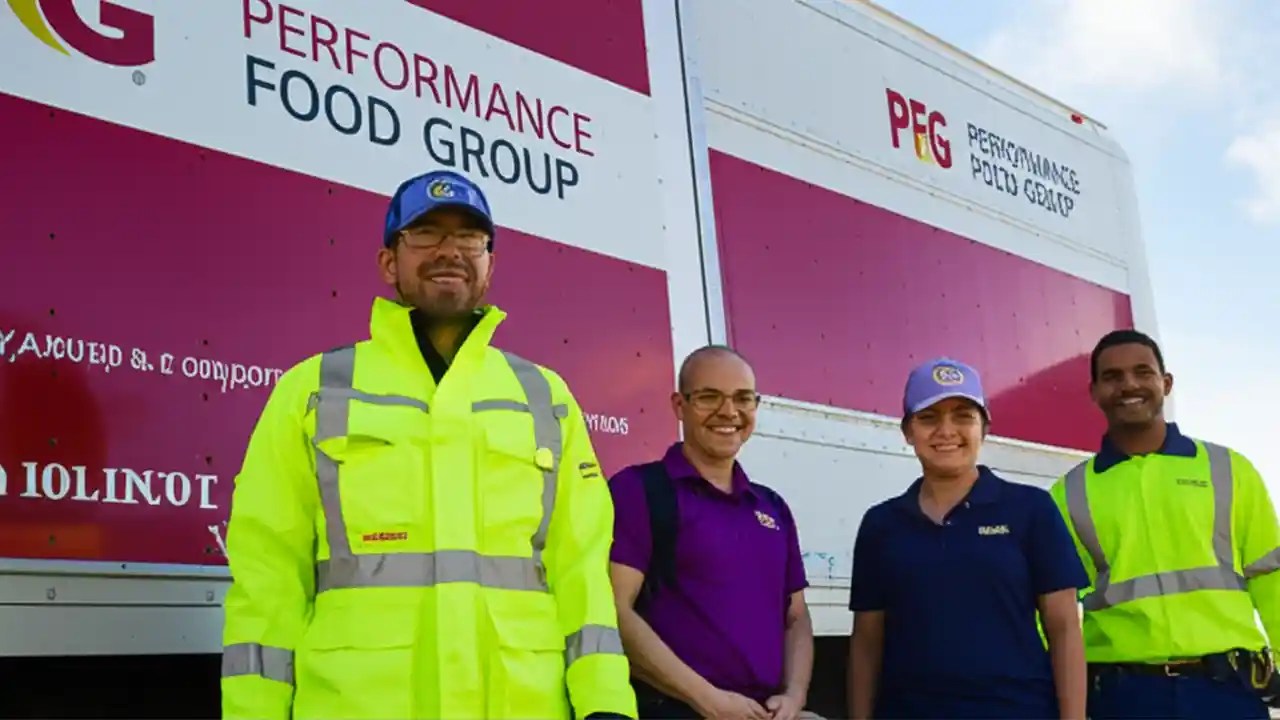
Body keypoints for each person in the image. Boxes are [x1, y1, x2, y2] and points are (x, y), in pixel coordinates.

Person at [218, 169, 637, 720]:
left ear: (490, 264)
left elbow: (580, 569)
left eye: (469, 237)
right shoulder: (314, 389)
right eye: (425, 234)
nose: (449, 251)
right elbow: (268, 577)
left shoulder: (544, 395)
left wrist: (605, 703)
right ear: (389, 261)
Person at [1047, 329, 1280, 719]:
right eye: (1113, 377)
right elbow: (1052, 607)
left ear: (1165, 383)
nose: (1130, 385)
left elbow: (1272, 576)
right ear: (1095, 391)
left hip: (1227, 691)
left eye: (1143, 372)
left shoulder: (1229, 469)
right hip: (1123, 697)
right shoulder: (1067, 493)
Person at [846, 357, 1089, 719]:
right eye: (928, 417)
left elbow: (1065, 629)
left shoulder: (1031, 509)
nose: (946, 430)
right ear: (908, 431)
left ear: (984, 427)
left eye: (963, 415)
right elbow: (866, 644)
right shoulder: (882, 524)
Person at [607, 345, 818, 719]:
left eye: (743, 399)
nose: (728, 412)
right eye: (709, 397)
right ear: (679, 405)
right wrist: (706, 699)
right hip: (677, 709)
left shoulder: (772, 508)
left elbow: (796, 618)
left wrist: (795, 696)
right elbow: (614, 610)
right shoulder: (639, 491)